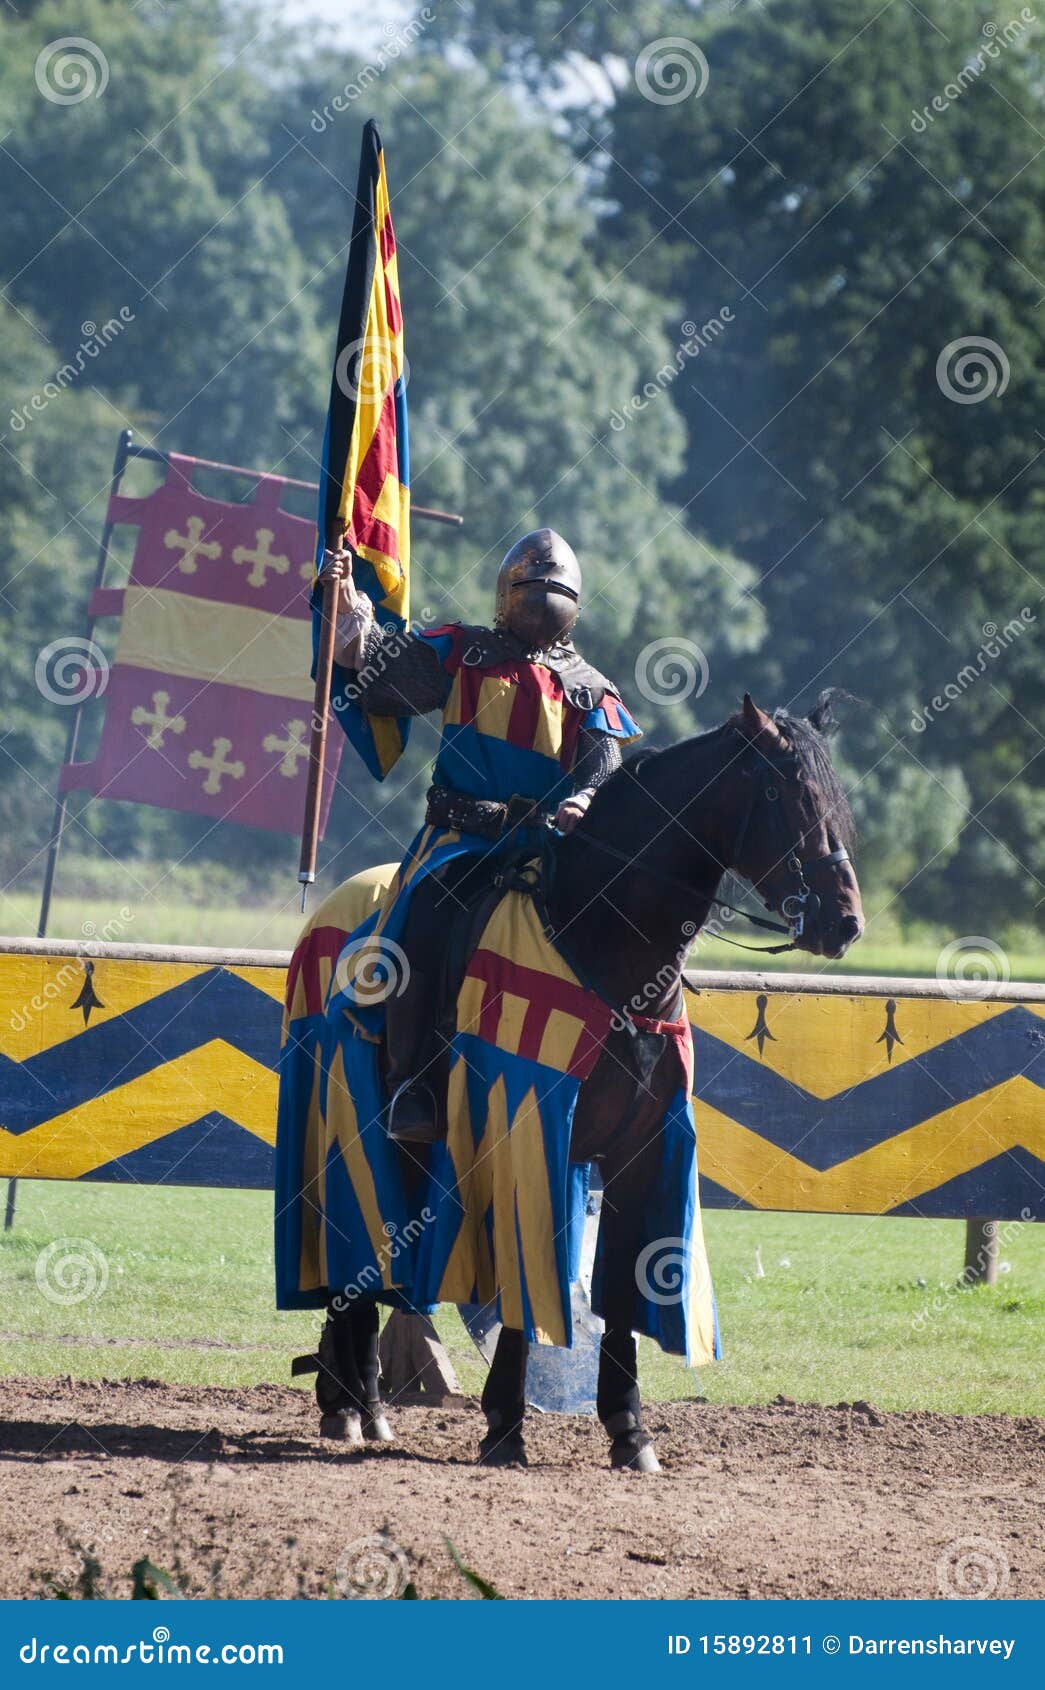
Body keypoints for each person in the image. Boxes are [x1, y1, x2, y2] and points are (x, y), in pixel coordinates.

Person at [326, 528, 641, 1141]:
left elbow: (605, 767)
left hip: (548, 850)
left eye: (555, 586)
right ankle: (411, 1083)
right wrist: (346, 605)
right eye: (532, 582)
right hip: (461, 843)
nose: (543, 593)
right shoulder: (463, 653)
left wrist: (585, 797)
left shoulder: (589, 687)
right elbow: (370, 666)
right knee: (426, 920)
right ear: (506, 591)